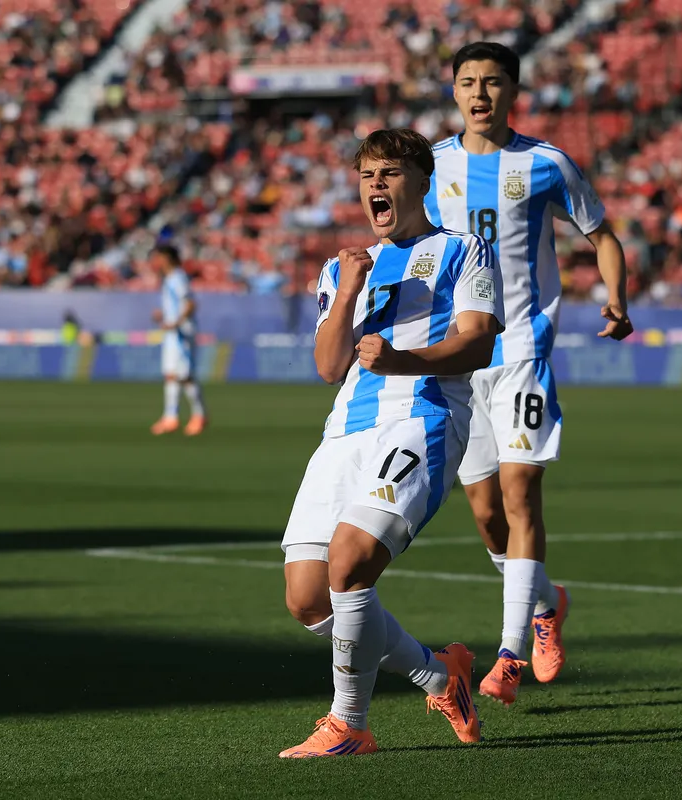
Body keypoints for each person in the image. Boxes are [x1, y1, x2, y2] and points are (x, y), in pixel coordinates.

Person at [279, 129, 504, 758]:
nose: (376, 184)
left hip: (424, 418)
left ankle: (349, 724)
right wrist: (348, 291)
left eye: (391, 172)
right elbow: (328, 367)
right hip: (344, 432)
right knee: (306, 599)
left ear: (422, 181)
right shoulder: (338, 266)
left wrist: (402, 359)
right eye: (368, 175)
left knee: (350, 565)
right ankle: (440, 673)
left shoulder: (464, 250)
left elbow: (479, 341)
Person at [424, 41, 633, 705]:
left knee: (520, 494)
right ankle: (548, 603)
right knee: (488, 516)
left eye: (491, 82)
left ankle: (510, 651)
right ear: (453, 92)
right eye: (467, 82)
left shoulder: (545, 163)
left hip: (521, 352)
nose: (479, 94)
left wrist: (616, 296)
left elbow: (601, 234)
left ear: (513, 91)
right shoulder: (429, 167)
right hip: (461, 360)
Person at [149, 244, 206, 436]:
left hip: (182, 333)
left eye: (158, 257)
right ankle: (170, 417)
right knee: (171, 374)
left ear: (167, 258)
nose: (155, 261)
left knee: (184, 375)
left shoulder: (178, 278)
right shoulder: (169, 279)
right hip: (172, 333)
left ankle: (199, 414)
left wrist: (176, 323)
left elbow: (190, 304)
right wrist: (163, 317)